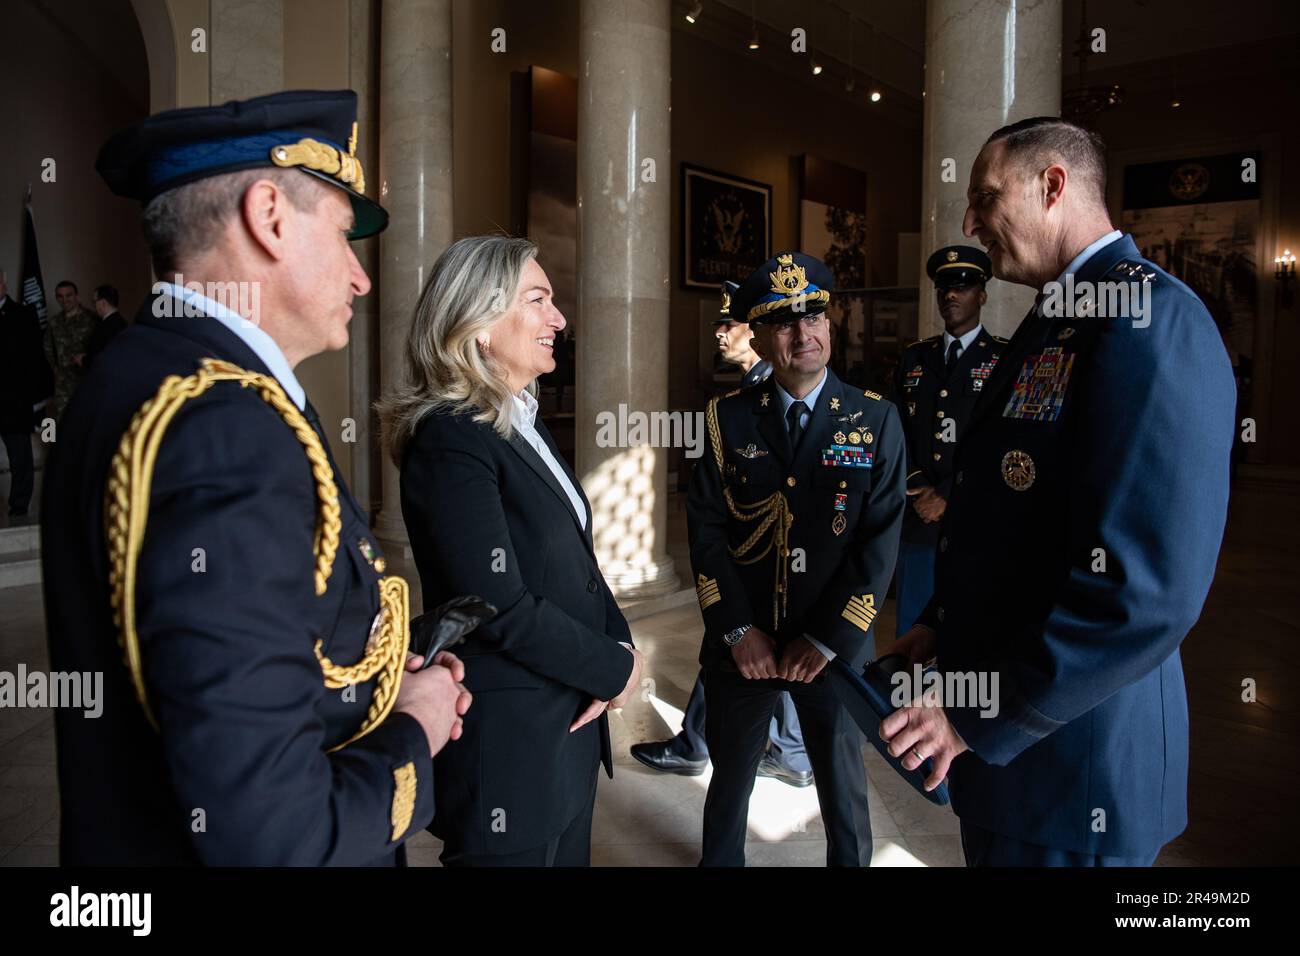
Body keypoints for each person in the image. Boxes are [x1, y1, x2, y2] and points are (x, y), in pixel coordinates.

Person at [42, 89, 469, 865]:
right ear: (269, 215)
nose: (361, 276)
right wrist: (416, 725)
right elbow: (274, 836)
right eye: (344, 236)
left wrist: (360, 682)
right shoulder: (224, 422)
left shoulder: (148, 372)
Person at [884, 117, 1235, 866]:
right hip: (1018, 767)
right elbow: (1018, 517)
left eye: (985, 197)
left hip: (1078, 771)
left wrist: (980, 712)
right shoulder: (1058, 317)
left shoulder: (1146, 318)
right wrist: (945, 625)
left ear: (1053, 186)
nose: (972, 223)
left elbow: (1147, 592)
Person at [384, 234, 645, 867]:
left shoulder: (519, 421)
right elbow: (494, 601)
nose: (559, 319)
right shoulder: (449, 439)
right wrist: (612, 670)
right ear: (476, 323)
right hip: (512, 737)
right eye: (539, 299)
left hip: (568, 717)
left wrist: (623, 645)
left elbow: (578, 566)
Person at [689, 252, 907, 866]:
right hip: (744, 646)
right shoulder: (725, 420)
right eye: (783, 321)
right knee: (729, 784)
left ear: (830, 324)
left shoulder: (874, 417)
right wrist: (736, 629)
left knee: (842, 789)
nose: (802, 332)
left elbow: (878, 543)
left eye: (813, 315)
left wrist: (833, 637)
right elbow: (705, 533)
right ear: (756, 335)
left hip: (831, 650)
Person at [632, 280, 812, 787]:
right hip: (753, 555)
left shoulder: (764, 392)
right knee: (742, 647)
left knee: (737, 645)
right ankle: (778, 749)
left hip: (756, 556)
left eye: (728, 324)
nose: (719, 332)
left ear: (756, 332)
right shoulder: (746, 392)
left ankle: (710, 745)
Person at [891, 246, 1005, 635]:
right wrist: (918, 486)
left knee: (972, 627)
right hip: (919, 518)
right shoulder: (914, 359)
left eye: (963, 286)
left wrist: (947, 494)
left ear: (982, 295)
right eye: (944, 288)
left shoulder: (1003, 359)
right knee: (913, 630)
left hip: (975, 514)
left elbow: (1002, 441)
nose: (951, 295)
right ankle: (910, 696)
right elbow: (894, 432)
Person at [0, 270, 48, 517]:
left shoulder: (23, 314)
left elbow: (34, 359)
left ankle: (19, 503)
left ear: (4, 284)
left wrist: (36, 398)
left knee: (20, 456)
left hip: (15, 400)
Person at [42, 280, 96, 421]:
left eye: (68, 295)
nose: (64, 300)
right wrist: (55, 367)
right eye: (60, 296)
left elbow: (101, 347)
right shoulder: (54, 322)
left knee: (88, 422)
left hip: (87, 381)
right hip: (64, 386)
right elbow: (47, 347)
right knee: (65, 425)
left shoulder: (92, 319)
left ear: (77, 296)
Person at [85, 283, 127, 366]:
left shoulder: (106, 326)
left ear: (103, 303)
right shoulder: (122, 322)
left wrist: (83, 360)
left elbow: (99, 357)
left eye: (94, 302)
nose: (94, 306)